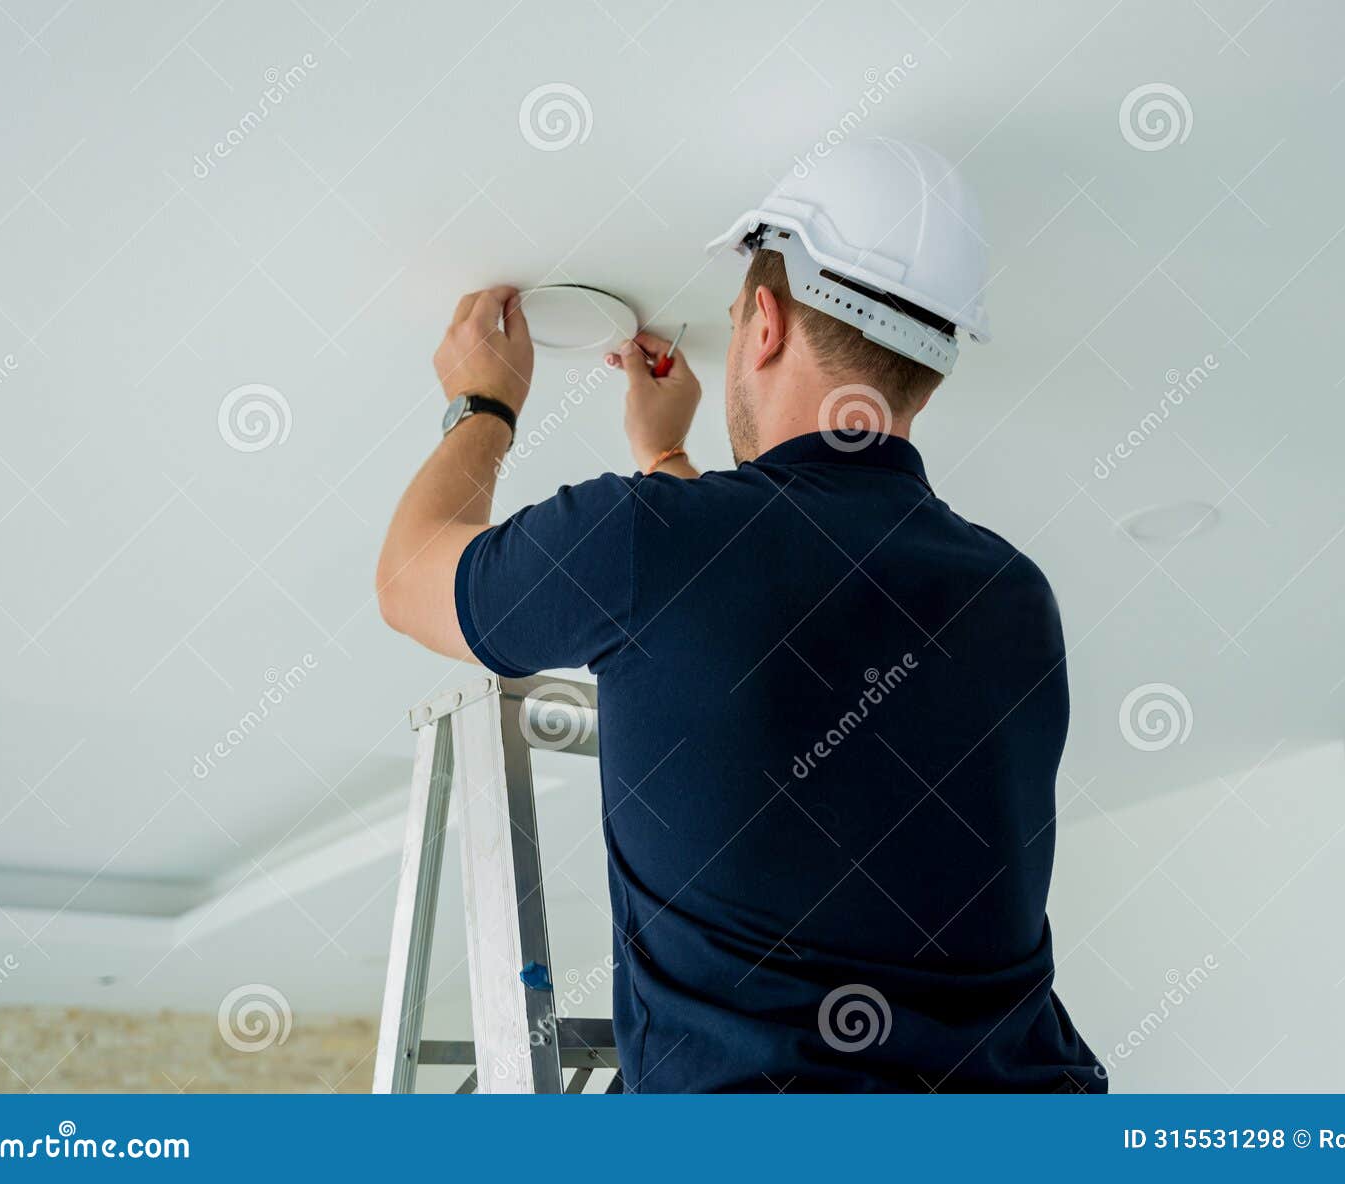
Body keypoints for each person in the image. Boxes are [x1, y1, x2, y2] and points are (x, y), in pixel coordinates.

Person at [377, 138, 1102, 1092]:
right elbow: (770, 615)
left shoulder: (654, 545)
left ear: (761, 323)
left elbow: (409, 579)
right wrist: (666, 464)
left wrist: (484, 403)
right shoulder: (1014, 596)